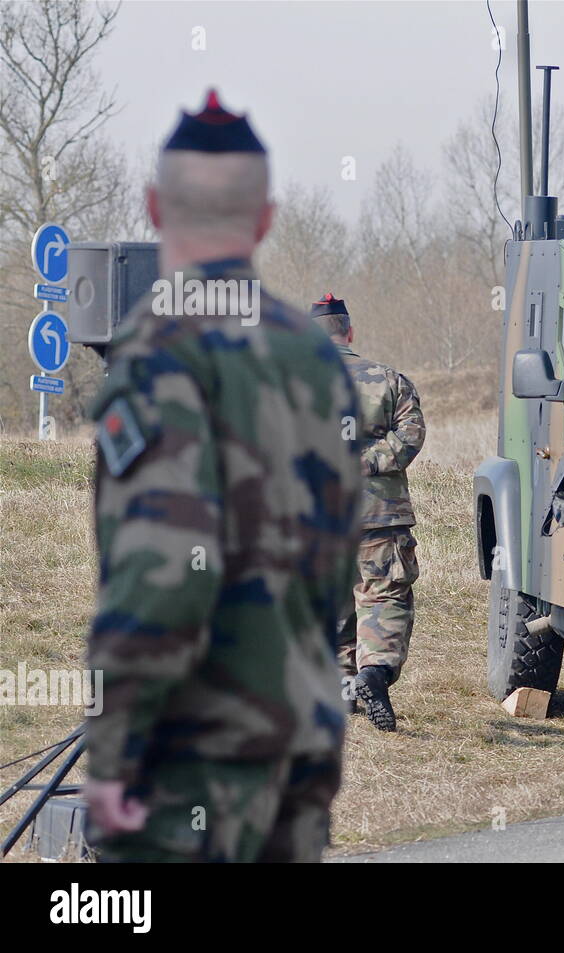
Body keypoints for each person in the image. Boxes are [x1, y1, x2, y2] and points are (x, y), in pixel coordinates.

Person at [82, 90, 361, 861]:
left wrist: (111, 759)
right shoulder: (317, 358)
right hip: (298, 751)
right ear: (265, 218)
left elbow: (163, 577)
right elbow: (338, 561)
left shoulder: (158, 354)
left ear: (154, 207)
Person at [311, 293, 425, 732]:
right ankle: (373, 674)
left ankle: (341, 691)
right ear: (350, 333)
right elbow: (412, 434)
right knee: (383, 594)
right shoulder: (388, 379)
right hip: (380, 512)